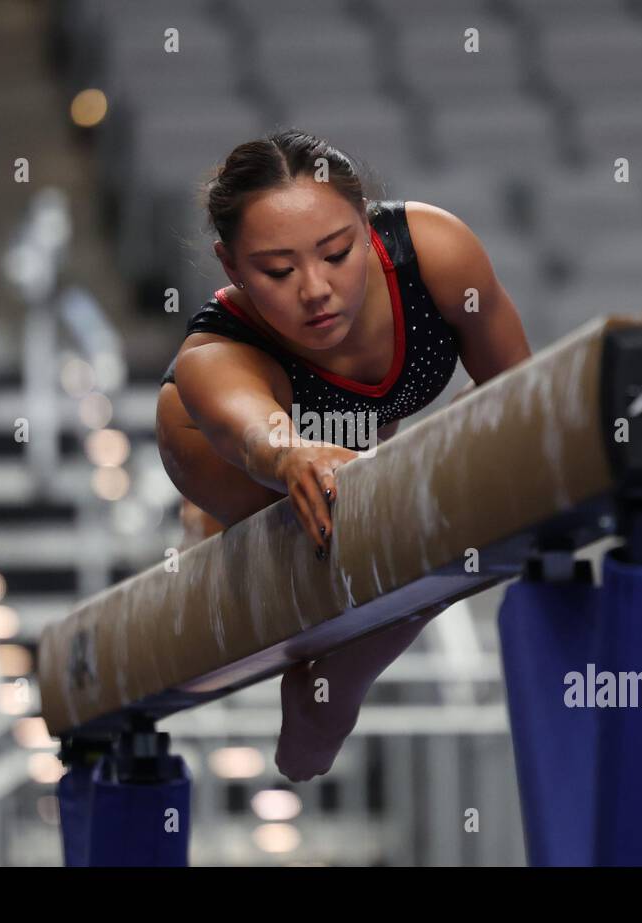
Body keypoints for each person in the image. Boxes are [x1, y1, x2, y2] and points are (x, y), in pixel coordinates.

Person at [156, 129, 531, 781]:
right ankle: (207, 530)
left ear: (367, 225)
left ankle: (331, 690)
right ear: (232, 267)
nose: (315, 289)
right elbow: (258, 432)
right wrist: (291, 453)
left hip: (356, 442)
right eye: (277, 270)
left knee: (475, 513)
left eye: (336, 252)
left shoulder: (436, 254)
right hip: (221, 451)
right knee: (364, 521)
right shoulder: (216, 353)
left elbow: (520, 401)